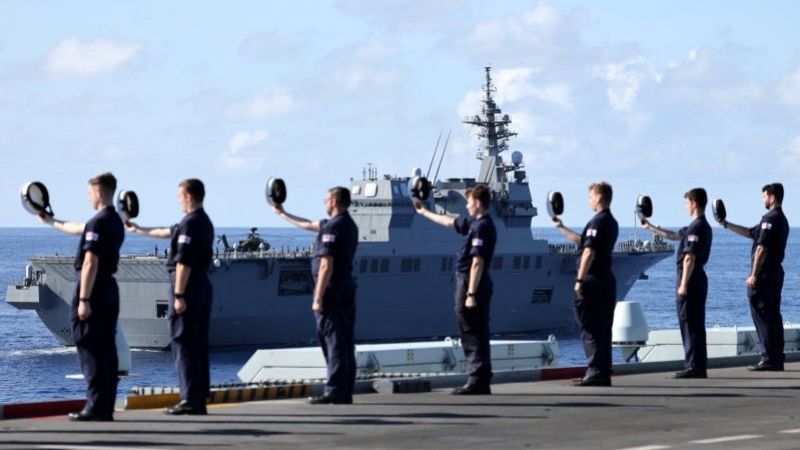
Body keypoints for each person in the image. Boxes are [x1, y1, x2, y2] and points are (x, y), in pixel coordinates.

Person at [39, 173, 124, 421]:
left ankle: (95, 407)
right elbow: (80, 227)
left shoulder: (98, 223)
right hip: (109, 289)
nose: (88, 196)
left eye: (89, 192)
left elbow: (90, 263)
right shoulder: (114, 221)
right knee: (107, 347)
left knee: (88, 344)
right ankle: (105, 406)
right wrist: (52, 221)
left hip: (93, 290)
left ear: (98, 192)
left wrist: (84, 300)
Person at [127, 179, 214, 414]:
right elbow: (168, 232)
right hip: (202, 286)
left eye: (179, 196)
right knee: (197, 343)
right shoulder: (202, 222)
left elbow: (183, 261)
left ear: (188, 197)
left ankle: (188, 400)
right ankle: (199, 398)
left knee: (183, 342)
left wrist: (178, 294)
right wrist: (139, 229)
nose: (177, 200)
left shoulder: (190, 223)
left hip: (187, 286)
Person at [273, 187, 359, 404]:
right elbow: (309, 224)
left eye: (326, 200)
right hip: (346, 287)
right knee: (345, 339)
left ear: (334, 201)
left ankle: (335, 390)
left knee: (333, 339)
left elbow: (325, 265)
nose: (324, 203)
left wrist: (318, 296)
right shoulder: (348, 225)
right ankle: (344, 389)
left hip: (332, 291)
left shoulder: (332, 228)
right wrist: (283, 214)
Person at [414, 184, 496, 395]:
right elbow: (451, 222)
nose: (466, 206)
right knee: (476, 330)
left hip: (471, 282)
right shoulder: (477, 223)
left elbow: (477, 261)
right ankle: (481, 378)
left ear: (477, 203)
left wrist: (470, 293)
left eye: (468, 202)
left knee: (471, 330)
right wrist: (424, 212)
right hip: (473, 281)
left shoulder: (481, 227)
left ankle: (477, 380)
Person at [717, 183, 789, 371]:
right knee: (773, 316)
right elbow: (751, 233)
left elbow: (761, 248)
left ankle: (767, 358)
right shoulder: (780, 219)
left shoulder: (769, 218)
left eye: (764, 195)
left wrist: (753, 275)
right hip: (775, 275)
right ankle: (776, 359)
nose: (762, 199)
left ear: (772, 197)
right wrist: (726, 224)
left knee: (763, 316)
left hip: (764, 276)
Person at [552, 182, 618, 387]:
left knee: (589, 327)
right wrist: (561, 227)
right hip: (606, 280)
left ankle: (595, 371)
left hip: (592, 281)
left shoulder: (597, 222)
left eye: (590, 197)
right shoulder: (610, 222)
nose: (589, 201)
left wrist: (579, 279)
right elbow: (583, 242)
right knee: (603, 329)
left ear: (598, 197)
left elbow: (588, 252)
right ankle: (602, 372)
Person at [641, 188, 712, 378]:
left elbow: (690, 258)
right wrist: (650, 227)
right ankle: (698, 365)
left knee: (689, 323)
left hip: (690, 280)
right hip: (697, 280)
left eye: (687, 202)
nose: (686, 206)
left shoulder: (696, 227)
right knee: (696, 324)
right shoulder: (699, 226)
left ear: (694, 203)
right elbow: (674, 236)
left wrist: (683, 285)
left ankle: (693, 366)